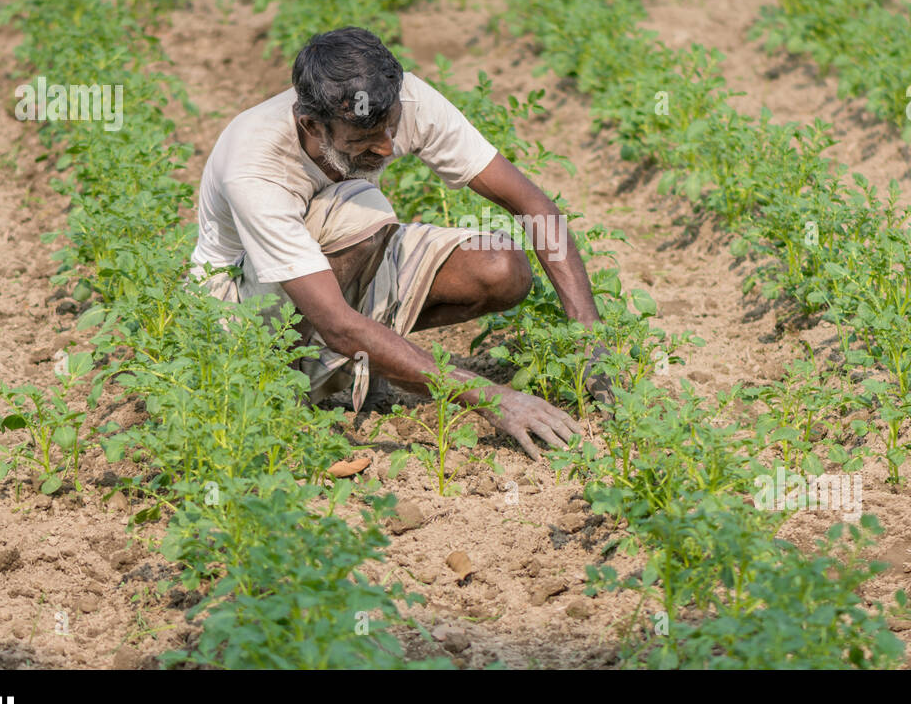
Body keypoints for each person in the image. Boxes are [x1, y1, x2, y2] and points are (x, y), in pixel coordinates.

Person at [192, 26, 611, 460]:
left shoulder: (402, 99)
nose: (388, 147)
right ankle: (279, 393)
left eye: (392, 128)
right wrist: (491, 397)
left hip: (331, 278)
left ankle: (366, 356)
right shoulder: (256, 165)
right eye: (363, 141)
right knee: (359, 208)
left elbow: (531, 204)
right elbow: (335, 321)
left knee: (499, 267)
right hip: (242, 311)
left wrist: (589, 337)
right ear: (311, 125)